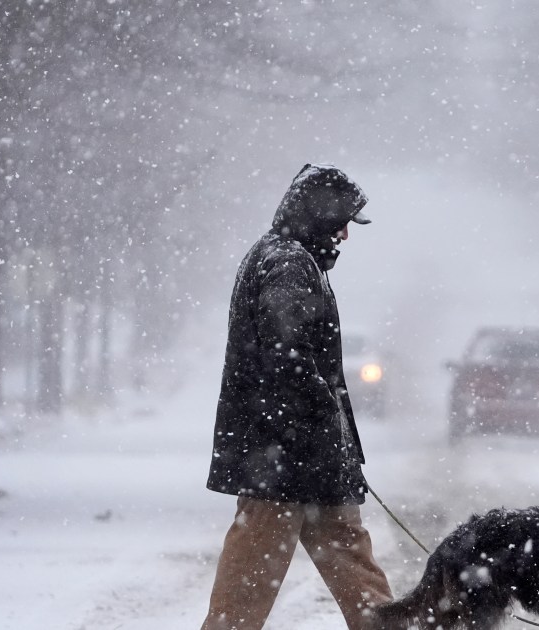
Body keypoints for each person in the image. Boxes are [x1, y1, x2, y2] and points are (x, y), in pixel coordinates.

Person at [201, 163, 392, 630]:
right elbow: (286, 357)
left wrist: (331, 443)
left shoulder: (289, 258)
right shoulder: (288, 262)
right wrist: (320, 422)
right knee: (249, 582)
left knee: (351, 567)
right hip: (283, 457)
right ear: (318, 215)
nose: (345, 234)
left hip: (303, 456)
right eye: (341, 222)